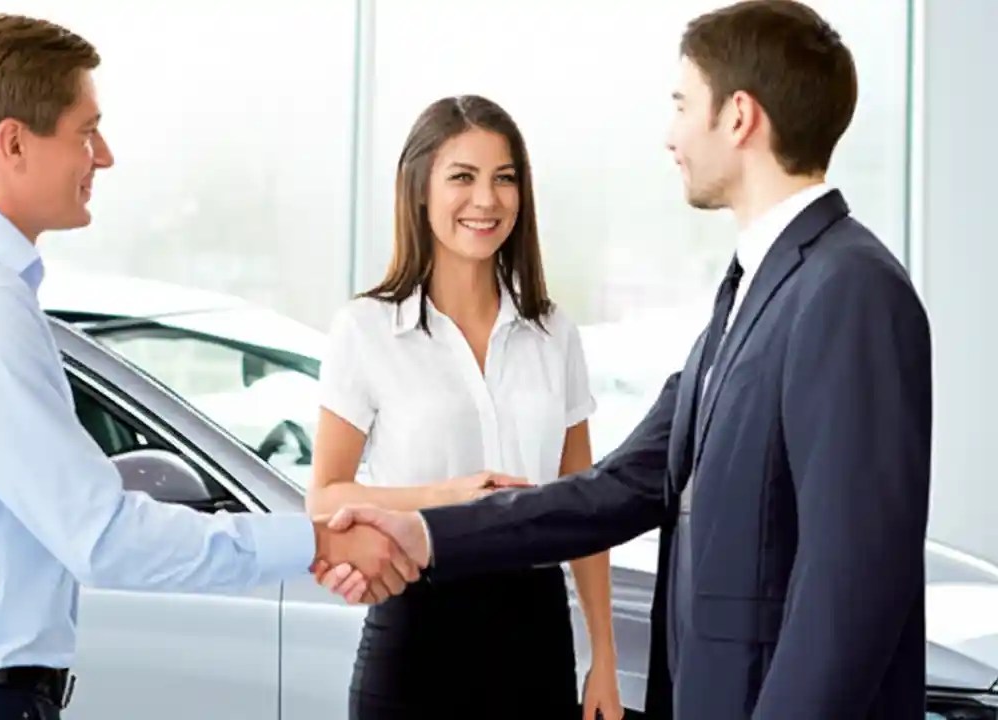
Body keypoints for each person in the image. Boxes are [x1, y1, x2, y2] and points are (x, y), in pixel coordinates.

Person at [322, 2, 933, 719]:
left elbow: (851, 586)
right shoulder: (752, 294)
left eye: (681, 104)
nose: (670, 135)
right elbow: (616, 488)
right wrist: (428, 529)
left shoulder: (848, 289)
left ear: (738, 117)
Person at [0, 14, 411, 720]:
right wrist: (316, 537)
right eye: (85, 130)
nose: (102, 156)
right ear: (12, 142)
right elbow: (102, 538)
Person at [307, 95, 623, 720]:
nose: (487, 200)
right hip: (416, 632)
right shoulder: (366, 330)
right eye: (463, 177)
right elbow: (324, 498)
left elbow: (585, 507)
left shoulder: (553, 332)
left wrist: (604, 660)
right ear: (420, 188)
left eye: (504, 179)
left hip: (535, 635)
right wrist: (452, 497)